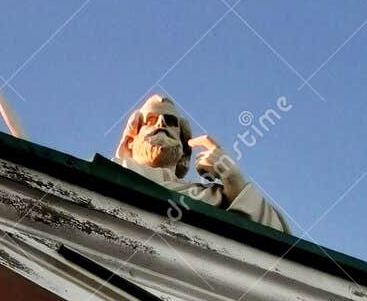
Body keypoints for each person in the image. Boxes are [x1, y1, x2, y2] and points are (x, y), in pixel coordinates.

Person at [114, 92, 291, 233]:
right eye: (150, 120)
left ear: (184, 147)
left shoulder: (212, 197)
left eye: (171, 122)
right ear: (130, 140)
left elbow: (276, 239)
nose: (161, 124)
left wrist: (233, 178)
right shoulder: (111, 178)